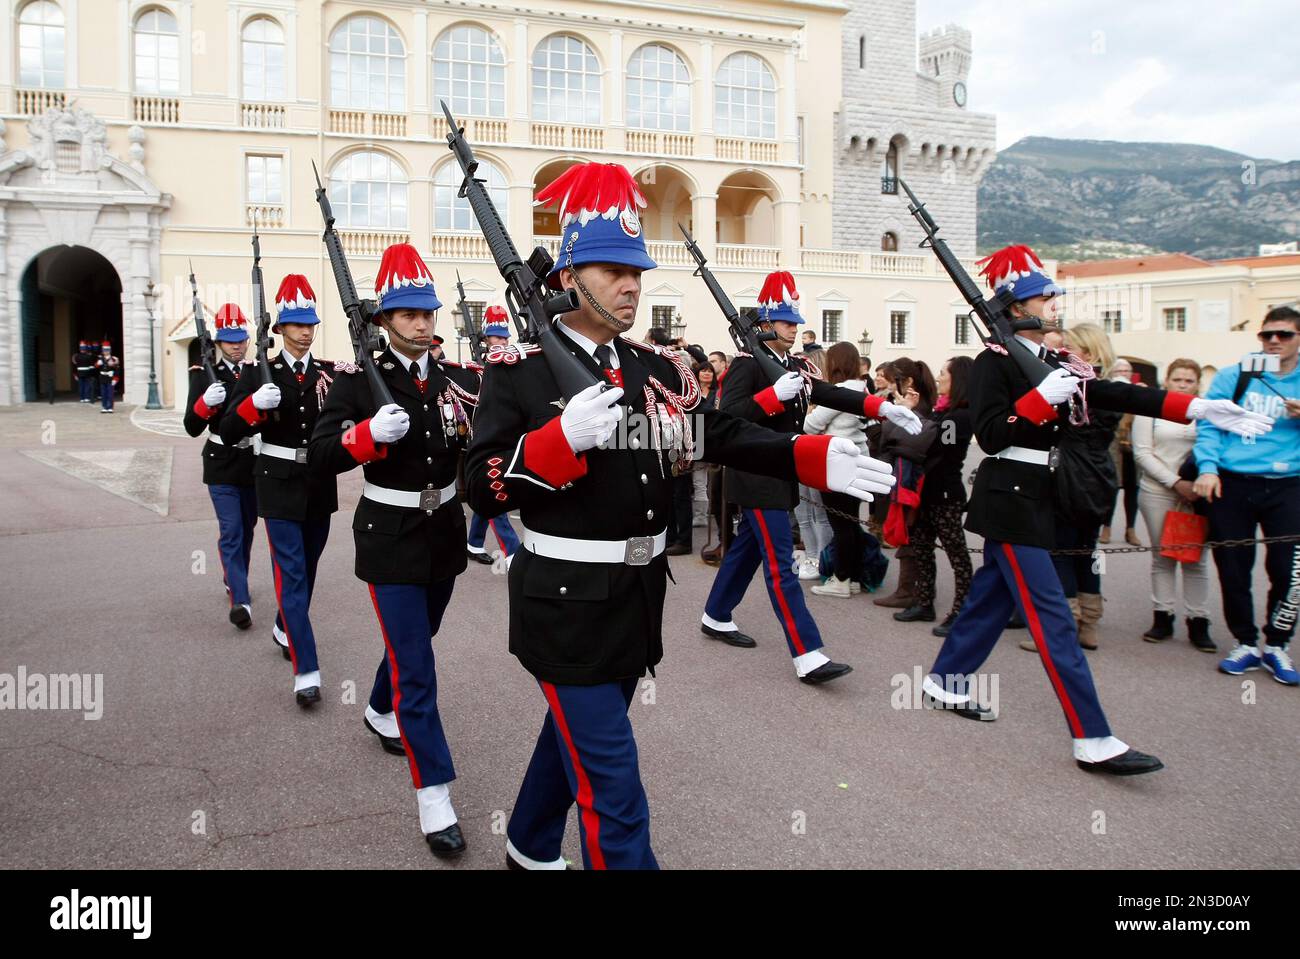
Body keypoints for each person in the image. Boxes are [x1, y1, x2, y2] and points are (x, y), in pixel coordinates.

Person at [465, 161, 896, 869]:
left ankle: (527, 840)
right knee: (617, 794)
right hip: (562, 606)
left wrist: (810, 455)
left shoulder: (654, 371)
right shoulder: (522, 371)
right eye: (611, 270)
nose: (631, 284)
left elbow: (716, 435)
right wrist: (557, 440)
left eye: (636, 269)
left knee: (569, 742)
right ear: (570, 275)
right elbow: (480, 486)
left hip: (634, 603)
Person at [921, 243, 1271, 775]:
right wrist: (1041, 399)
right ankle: (1093, 737)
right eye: (1044, 297)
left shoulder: (1057, 360)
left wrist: (1196, 407)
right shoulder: (993, 363)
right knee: (1054, 618)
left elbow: (1117, 395)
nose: (1054, 304)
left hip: (1039, 496)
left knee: (992, 599)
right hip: (1009, 500)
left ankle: (944, 681)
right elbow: (991, 436)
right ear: (1017, 308)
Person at [311, 243, 482, 858]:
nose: (422, 323)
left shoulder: (457, 379)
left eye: (428, 313)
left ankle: (381, 710)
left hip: (442, 535)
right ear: (383, 320)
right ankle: (434, 792)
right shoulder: (356, 383)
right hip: (389, 538)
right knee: (418, 663)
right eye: (409, 314)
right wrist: (363, 436)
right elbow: (322, 456)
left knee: (417, 641)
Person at [701, 269, 921, 683]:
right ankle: (807, 653)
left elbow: (831, 394)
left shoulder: (792, 364)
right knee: (780, 565)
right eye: (786, 322)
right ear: (764, 324)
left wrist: (881, 408)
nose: (793, 328)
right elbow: (726, 422)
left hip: (781, 469)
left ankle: (715, 614)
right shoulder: (747, 366)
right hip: (755, 474)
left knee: (747, 551)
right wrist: (770, 398)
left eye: (795, 321)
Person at [220, 275, 339, 707]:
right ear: (279, 329)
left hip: (318, 484)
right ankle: (306, 669)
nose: (306, 332)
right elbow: (227, 428)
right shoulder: (256, 373)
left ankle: (284, 624)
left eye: (311, 324)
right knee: (290, 573)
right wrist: (253, 405)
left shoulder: (328, 373)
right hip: (276, 483)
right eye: (296, 324)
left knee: (307, 570)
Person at [1194, 305, 1300, 685]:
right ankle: (1245, 641)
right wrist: (1207, 468)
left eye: (1283, 335)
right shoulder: (1236, 375)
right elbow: (1209, 422)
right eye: (1266, 334)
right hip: (1234, 482)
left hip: (1289, 485)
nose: (1273, 341)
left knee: (1290, 571)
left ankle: (1277, 644)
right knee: (1234, 566)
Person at [1018, 322, 1121, 652]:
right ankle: (1089, 622)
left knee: (1060, 548)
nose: (1062, 353)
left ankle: (1064, 624)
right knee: (1086, 549)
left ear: (1087, 353)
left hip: (1069, 472)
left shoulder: (1077, 388)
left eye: (1070, 347)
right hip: (1100, 473)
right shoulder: (1109, 389)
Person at [182, 303, 263, 631]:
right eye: (230, 340)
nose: (237, 346)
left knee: (247, 529)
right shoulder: (202, 376)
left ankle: (234, 576)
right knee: (231, 530)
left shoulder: (257, 372)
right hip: (220, 462)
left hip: (251, 462)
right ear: (217, 342)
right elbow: (191, 426)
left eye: (241, 339)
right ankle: (240, 599)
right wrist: (204, 404)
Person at [1131, 358, 1214, 650]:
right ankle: (1162, 616)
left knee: (1196, 560)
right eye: (1177, 380)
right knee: (1162, 557)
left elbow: (1213, 447)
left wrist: (1198, 482)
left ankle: (1199, 621)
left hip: (1197, 494)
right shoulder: (1151, 409)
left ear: (1197, 384)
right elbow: (1142, 454)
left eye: (1189, 381)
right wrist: (1175, 482)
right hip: (1158, 490)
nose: (1182, 385)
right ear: (1167, 381)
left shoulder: (1206, 411)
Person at [897, 355, 975, 636]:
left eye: (945, 373)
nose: (940, 377)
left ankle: (962, 610)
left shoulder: (959, 416)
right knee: (922, 547)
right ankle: (923, 602)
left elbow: (940, 449)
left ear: (959, 381)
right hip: (928, 490)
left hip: (945, 493)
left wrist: (915, 423)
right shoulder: (943, 412)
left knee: (957, 554)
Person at [806, 342, 872, 597]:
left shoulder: (841, 391)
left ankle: (841, 578)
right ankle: (853, 576)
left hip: (838, 462)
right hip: (858, 460)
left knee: (841, 524)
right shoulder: (861, 388)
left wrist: (810, 415)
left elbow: (812, 424)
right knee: (851, 522)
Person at [466, 306, 520, 565]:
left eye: (504, 337)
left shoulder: (505, 363)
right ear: (486, 339)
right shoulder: (479, 366)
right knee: (495, 493)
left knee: (485, 495)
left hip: (504, 434)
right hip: (482, 437)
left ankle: (474, 543)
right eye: (497, 337)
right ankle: (512, 552)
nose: (502, 341)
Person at [1101, 358, 1141, 545]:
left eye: (1126, 371)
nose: (1123, 374)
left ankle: (1130, 529)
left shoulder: (1137, 392)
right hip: (1113, 446)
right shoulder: (1108, 392)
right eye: (1119, 371)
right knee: (1112, 489)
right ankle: (1106, 528)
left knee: (1133, 489)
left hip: (1132, 447)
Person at [95, 341, 119, 412]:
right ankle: (104, 406)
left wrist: (115, 379)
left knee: (110, 393)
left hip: (110, 378)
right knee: (103, 393)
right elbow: (95, 367)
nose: (106, 352)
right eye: (104, 350)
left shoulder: (114, 359)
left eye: (107, 350)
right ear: (102, 351)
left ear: (110, 350)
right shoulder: (100, 359)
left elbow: (117, 370)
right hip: (103, 378)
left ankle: (110, 407)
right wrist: (97, 364)